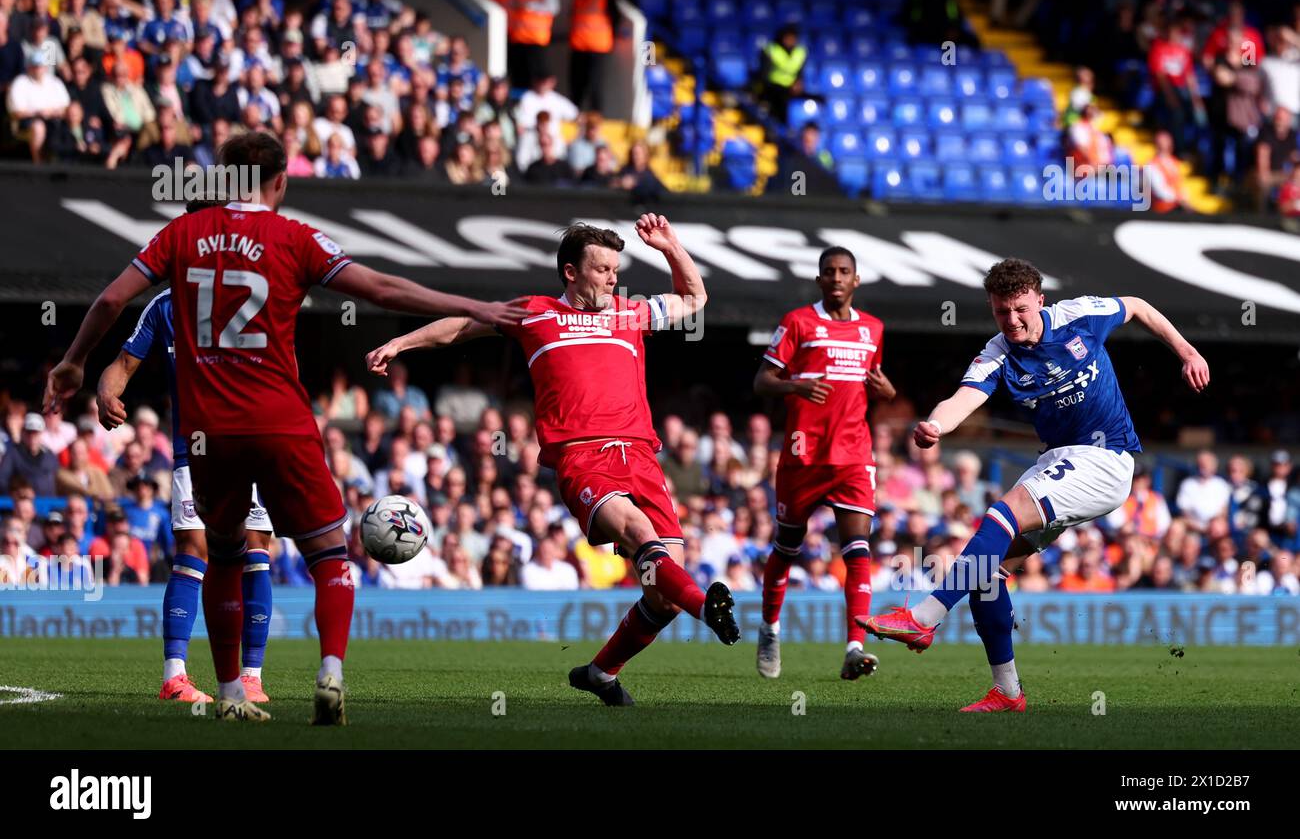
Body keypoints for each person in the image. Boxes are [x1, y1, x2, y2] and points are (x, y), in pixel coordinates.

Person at [44, 131, 528, 724]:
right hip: (281, 423)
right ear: (281, 181)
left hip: (207, 434)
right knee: (328, 553)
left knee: (222, 556)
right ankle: (330, 672)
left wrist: (72, 362)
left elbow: (109, 301)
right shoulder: (295, 237)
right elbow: (381, 288)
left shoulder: (180, 236)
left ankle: (229, 695)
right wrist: (476, 307)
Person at [366, 218, 741, 706]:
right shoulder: (534, 313)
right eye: (602, 269)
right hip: (583, 457)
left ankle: (601, 673)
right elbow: (461, 326)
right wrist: (400, 343)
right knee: (640, 537)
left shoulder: (630, 313)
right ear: (570, 272)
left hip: (642, 457)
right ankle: (706, 607)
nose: (612, 278)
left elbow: (694, 300)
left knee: (663, 593)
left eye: (616, 269)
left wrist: (670, 246)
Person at [860, 258, 1209, 712]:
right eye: (1002, 312)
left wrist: (1187, 351)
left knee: (1000, 514)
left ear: (1040, 301)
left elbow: (1138, 306)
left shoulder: (1079, 316)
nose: (1013, 320)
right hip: (1058, 460)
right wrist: (935, 425)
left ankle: (924, 617)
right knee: (985, 574)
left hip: (1106, 458)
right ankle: (1007, 693)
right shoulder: (998, 352)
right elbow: (964, 396)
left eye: (1021, 309)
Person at [96, 279, 277, 704]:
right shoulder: (165, 306)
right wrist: (106, 392)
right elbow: (123, 363)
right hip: (192, 449)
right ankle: (174, 675)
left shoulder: (255, 297)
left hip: (253, 445)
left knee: (255, 551)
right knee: (194, 550)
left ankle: (252, 677)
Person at [753, 246, 896, 681]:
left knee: (857, 551)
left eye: (844, 271)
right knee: (787, 549)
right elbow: (762, 380)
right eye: (829, 271)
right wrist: (796, 386)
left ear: (856, 281)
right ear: (819, 280)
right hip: (804, 454)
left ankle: (855, 647)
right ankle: (769, 628)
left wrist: (887, 392)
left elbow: (872, 386)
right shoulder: (798, 322)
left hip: (853, 456)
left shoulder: (873, 329)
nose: (836, 277)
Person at [569, 0, 619, 112]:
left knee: (594, 84)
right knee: (576, 83)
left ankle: (596, 116)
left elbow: (615, 17)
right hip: (578, 46)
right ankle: (575, 114)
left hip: (597, 47)